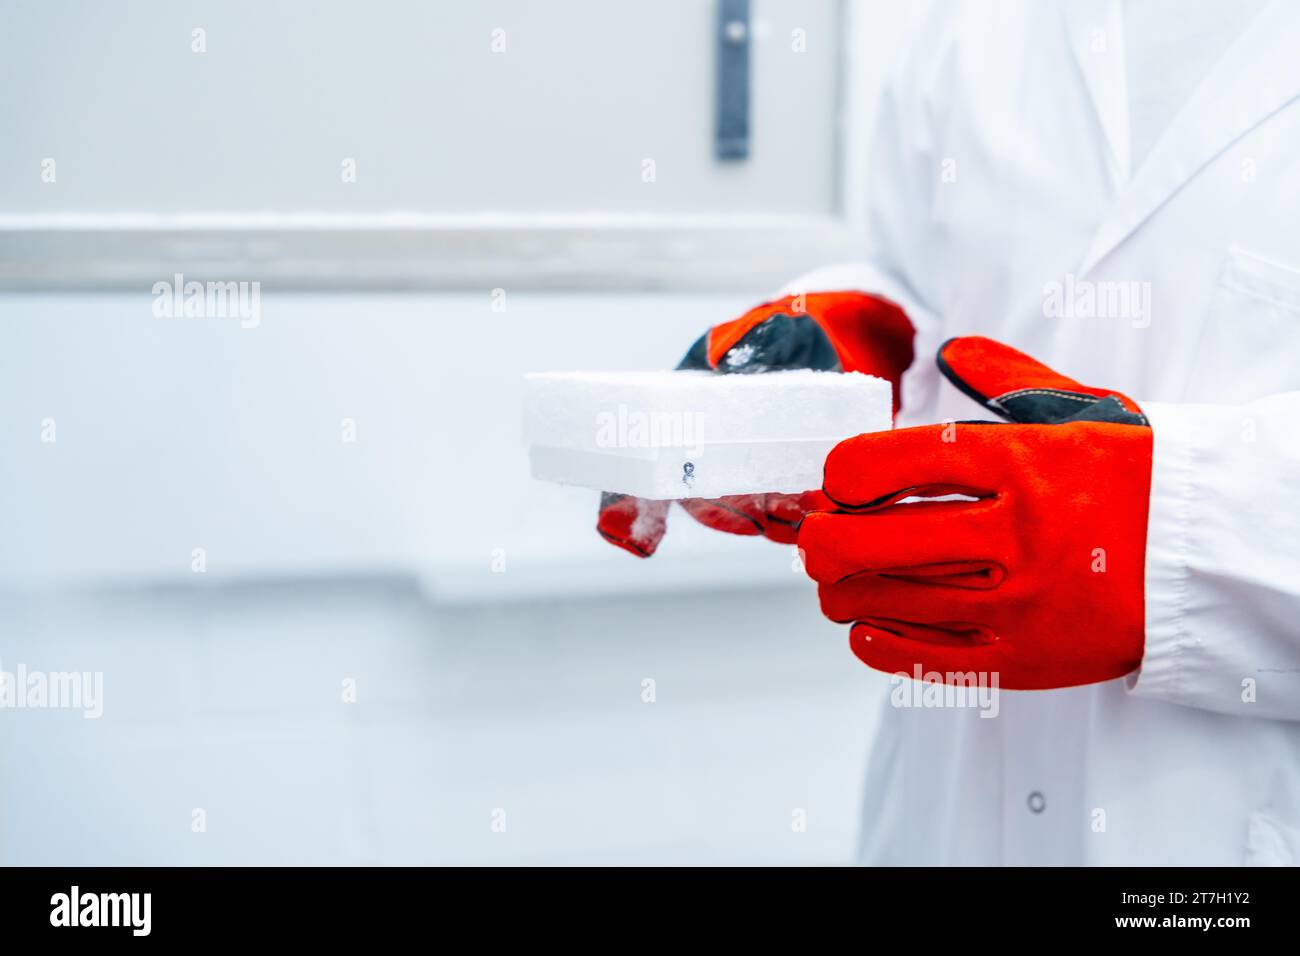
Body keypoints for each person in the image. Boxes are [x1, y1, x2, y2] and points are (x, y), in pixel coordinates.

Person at [598, 0, 1300, 865]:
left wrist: (1172, 540)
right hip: (949, 804)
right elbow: (932, 287)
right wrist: (863, 341)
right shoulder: (973, 26)